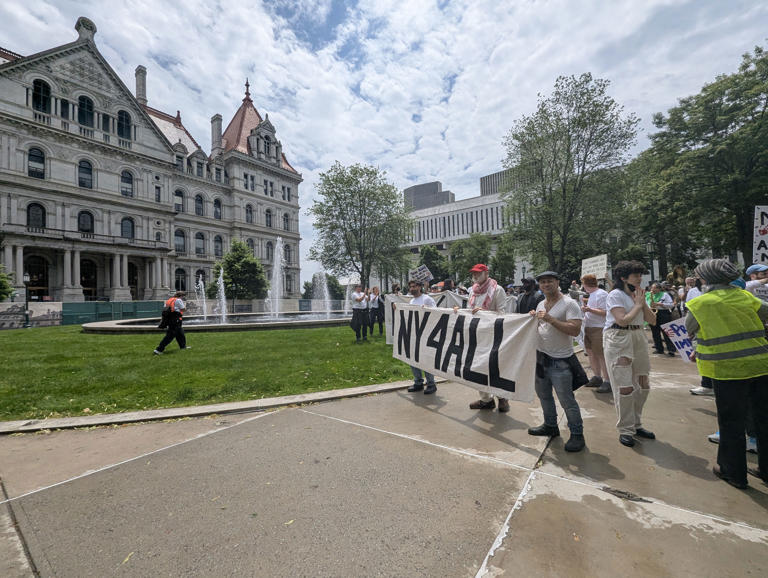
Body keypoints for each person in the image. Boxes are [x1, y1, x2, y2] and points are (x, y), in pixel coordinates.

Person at [685, 259, 768, 489]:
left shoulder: (701, 303)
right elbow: (765, 313)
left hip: (727, 371)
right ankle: (766, 470)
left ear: (706, 279)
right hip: (760, 365)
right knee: (763, 420)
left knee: (732, 423)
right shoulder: (745, 296)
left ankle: (734, 473)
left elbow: (689, 329)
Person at [527, 271, 586, 452]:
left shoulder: (569, 304)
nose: (546, 285)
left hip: (560, 360)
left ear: (557, 282)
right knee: (544, 396)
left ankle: (577, 434)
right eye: (543, 282)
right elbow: (539, 326)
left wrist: (551, 319)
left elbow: (575, 330)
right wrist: (532, 319)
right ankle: (550, 425)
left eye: (550, 281)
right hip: (541, 358)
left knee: (567, 400)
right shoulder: (540, 304)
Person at [603, 261, 658, 447]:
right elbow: (622, 320)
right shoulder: (615, 295)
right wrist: (638, 304)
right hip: (618, 337)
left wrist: (642, 304)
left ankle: (636, 423)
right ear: (623, 277)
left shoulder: (638, 295)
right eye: (635, 275)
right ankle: (625, 429)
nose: (639, 278)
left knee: (643, 383)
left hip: (638, 336)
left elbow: (653, 321)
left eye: (640, 275)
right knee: (624, 386)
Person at [458, 264, 510, 412]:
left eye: (478, 273)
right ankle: (486, 399)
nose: (475, 276)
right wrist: (459, 311)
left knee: (495, 367)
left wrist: (484, 313)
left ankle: (502, 398)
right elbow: (470, 311)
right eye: (473, 273)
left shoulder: (497, 290)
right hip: (476, 334)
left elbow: (502, 313)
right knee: (477, 367)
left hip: (493, 334)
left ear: (486, 273)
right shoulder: (472, 291)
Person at [401, 280, 437, 394]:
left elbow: (436, 313)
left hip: (425, 334)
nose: (412, 289)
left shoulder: (427, 299)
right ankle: (418, 382)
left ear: (420, 287)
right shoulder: (412, 300)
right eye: (410, 287)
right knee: (413, 358)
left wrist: (427, 309)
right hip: (414, 334)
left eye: (414, 286)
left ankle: (431, 383)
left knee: (425, 359)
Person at [580, 274, 611, 393]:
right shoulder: (592, 295)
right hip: (589, 327)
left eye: (583, 283)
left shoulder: (602, 294)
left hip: (599, 328)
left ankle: (607, 380)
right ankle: (597, 376)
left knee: (601, 355)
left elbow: (606, 312)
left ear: (586, 283)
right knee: (591, 353)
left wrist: (589, 309)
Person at [648, 282, 676, 356]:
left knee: (667, 332)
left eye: (654, 288)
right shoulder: (648, 295)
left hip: (663, 313)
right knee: (655, 332)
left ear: (659, 289)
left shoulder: (665, 294)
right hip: (652, 313)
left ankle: (671, 350)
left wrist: (661, 304)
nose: (652, 289)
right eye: (652, 288)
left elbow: (671, 305)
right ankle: (659, 349)